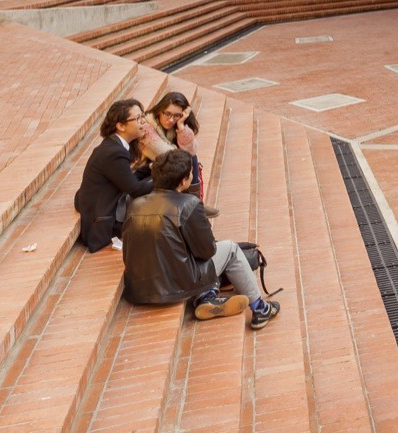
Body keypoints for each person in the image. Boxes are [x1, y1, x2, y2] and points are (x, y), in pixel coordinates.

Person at [121, 149, 281, 328]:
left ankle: (207, 297)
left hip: (138, 288)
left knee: (194, 254)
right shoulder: (188, 203)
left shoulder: (134, 204)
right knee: (230, 249)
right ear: (184, 181)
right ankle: (260, 308)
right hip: (176, 286)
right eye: (191, 173)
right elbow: (207, 251)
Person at [73, 99, 155, 253]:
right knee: (159, 188)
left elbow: (127, 179)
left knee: (153, 181)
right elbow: (135, 189)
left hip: (109, 202)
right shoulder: (114, 153)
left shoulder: (114, 145)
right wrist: (165, 178)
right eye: (138, 118)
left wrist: (151, 168)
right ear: (121, 125)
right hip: (103, 220)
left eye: (142, 116)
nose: (143, 121)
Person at [148, 91, 219, 218]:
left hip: (163, 168)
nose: (171, 120)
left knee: (192, 157)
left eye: (177, 116)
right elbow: (165, 153)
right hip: (145, 173)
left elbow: (191, 150)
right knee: (186, 160)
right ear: (160, 110)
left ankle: (195, 204)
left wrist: (181, 126)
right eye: (167, 114)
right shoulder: (148, 127)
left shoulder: (174, 127)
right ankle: (194, 205)